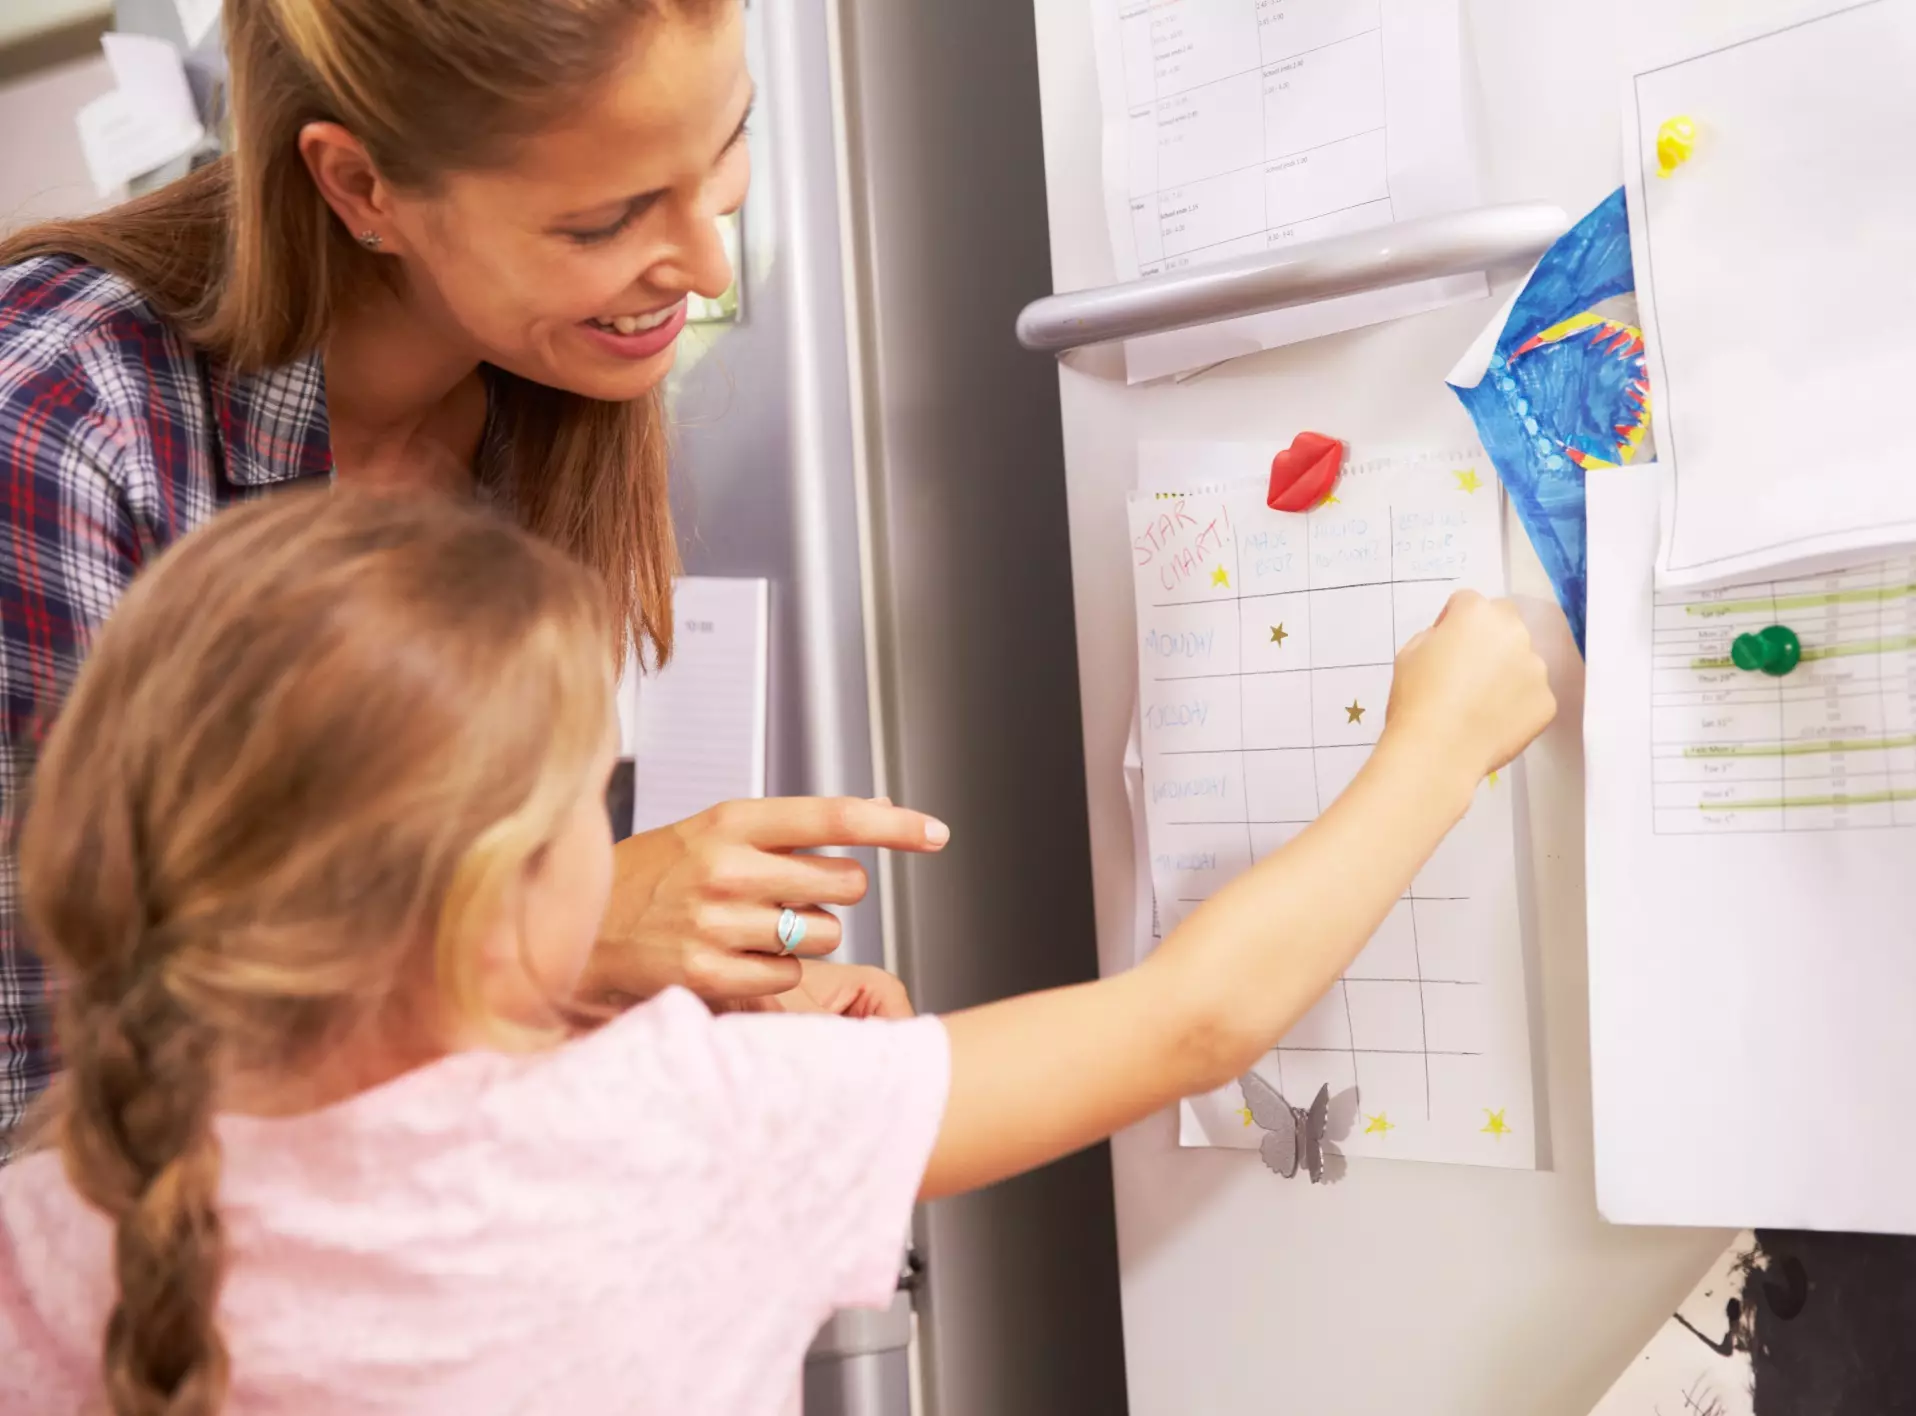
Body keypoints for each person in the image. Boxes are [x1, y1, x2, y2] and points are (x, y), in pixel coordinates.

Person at [0, 490, 1555, 1414]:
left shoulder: (59, 1201)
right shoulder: (694, 1129)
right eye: (584, 808)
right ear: (495, 900)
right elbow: (1191, 1026)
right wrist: (1438, 747)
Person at [0, 0, 925, 1147]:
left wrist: (676, 1019)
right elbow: (49, 1116)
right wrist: (564, 935)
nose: (704, 261)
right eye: (607, 218)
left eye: (726, 145)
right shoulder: (55, 426)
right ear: (361, 188)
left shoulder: (533, 388)